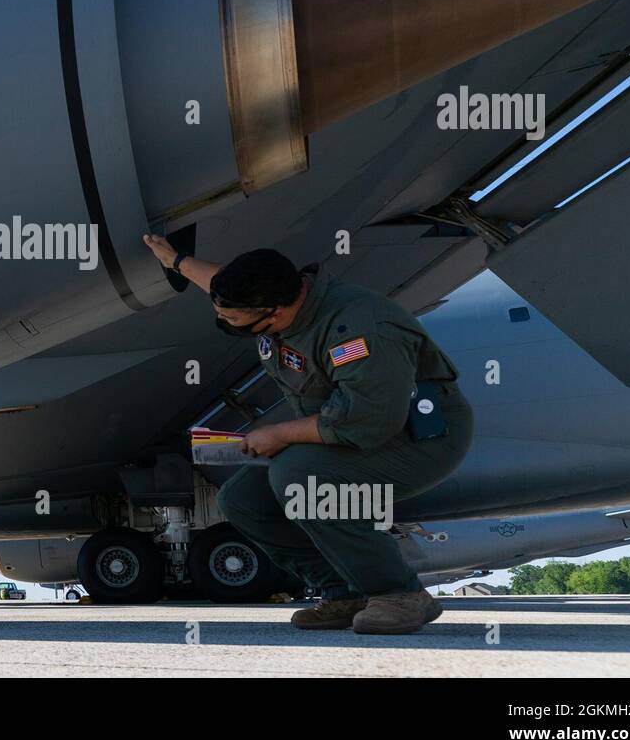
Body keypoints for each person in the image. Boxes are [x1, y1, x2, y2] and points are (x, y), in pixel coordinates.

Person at [143, 235, 473, 635]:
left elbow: (367, 420)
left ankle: (399, 594)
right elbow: (220, 284)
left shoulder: (358, 330)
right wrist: (174, 260)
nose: (227, 323)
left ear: (275, 313)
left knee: (298, 476)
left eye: (234, 323)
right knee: (242, 500)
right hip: (347, 430)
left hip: (417, 437)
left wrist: (279, 433)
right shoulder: (273, 294)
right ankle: (343, 593)